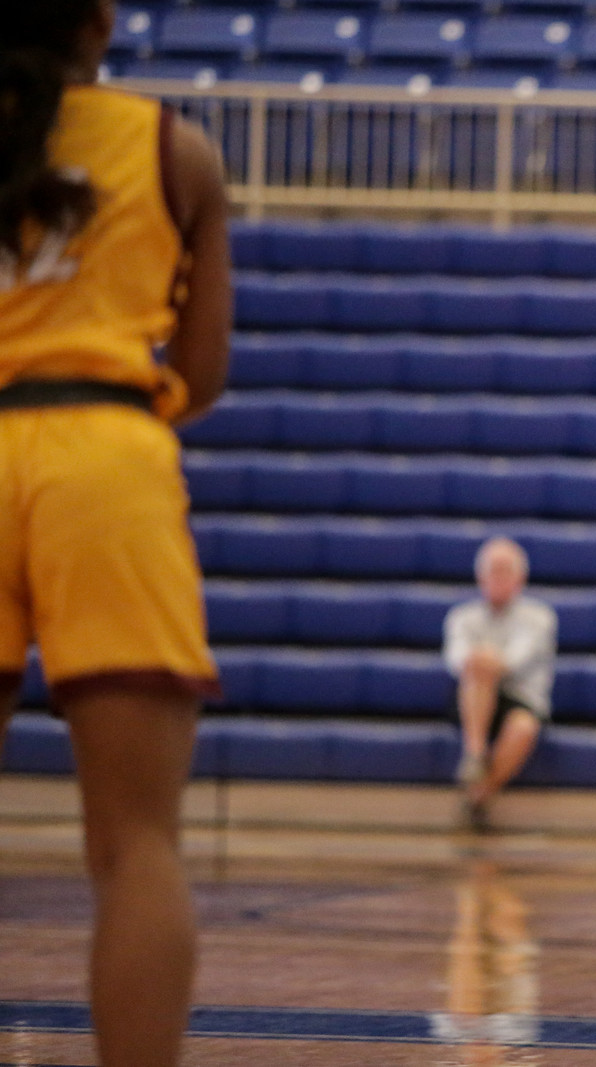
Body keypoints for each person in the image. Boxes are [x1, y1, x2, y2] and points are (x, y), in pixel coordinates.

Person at [0, 2, 233, 1065]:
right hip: (103, 455)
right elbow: (203, 369)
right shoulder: (171, 149)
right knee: (137, 843)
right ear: (98, 22)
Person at [442, 536, 558, 830]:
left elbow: (515, 661)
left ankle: (478, 795)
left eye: (505, 571)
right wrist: (482, 661)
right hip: (472, 700)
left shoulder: (539, 617)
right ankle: (475, 753)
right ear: (480, 576)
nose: (498, 578)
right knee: (478, 675)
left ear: (521, 578)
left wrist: (485, 659)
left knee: (523, 726)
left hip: (522, 698)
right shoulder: (462, 617)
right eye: (493, 571)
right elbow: (455, 661)